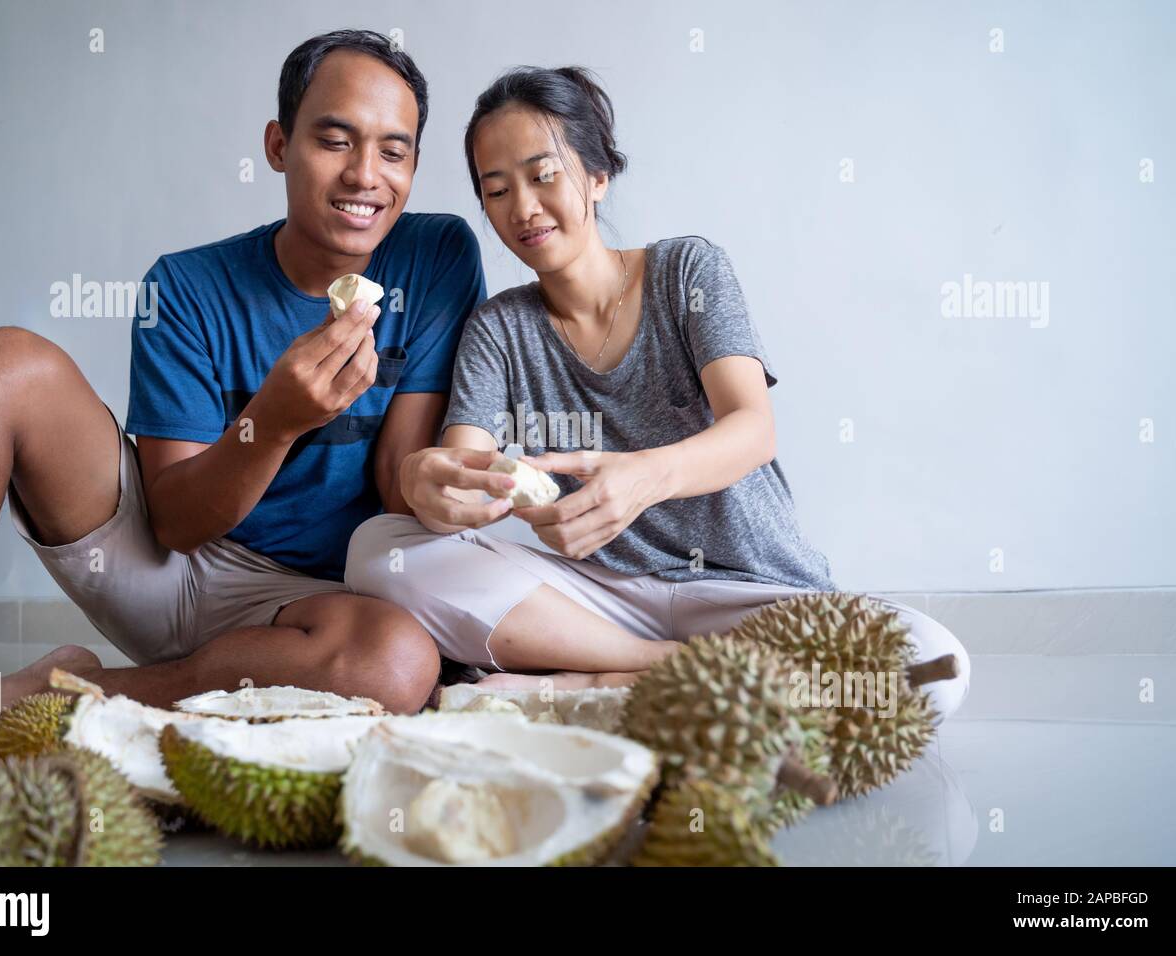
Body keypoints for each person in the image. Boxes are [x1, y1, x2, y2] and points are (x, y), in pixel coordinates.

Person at [0, 29, 484, 740]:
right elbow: (175, 524)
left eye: (394, 151)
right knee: (7, 363)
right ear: (277, 146)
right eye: (335, 141)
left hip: (315, 611)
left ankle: (53, 695)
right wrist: (273, 421)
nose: (367, 175)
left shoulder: (437, 257)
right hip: (167, 570)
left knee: (393, 665)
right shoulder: (185, 285)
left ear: (415, 163)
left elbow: (398, 484)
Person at [346, 66, 971, 720]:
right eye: (496, 190)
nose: (523, 208)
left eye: (544, 175)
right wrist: (432, 483)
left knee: (928, 666)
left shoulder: (687, 271)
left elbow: (752, 429)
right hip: (602, 598)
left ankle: (586, 688)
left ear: (596, 174)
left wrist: (644, 477)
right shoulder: (498, 328)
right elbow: (469, 470)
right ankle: (656, 668)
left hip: (747, 591)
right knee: (379, 550)